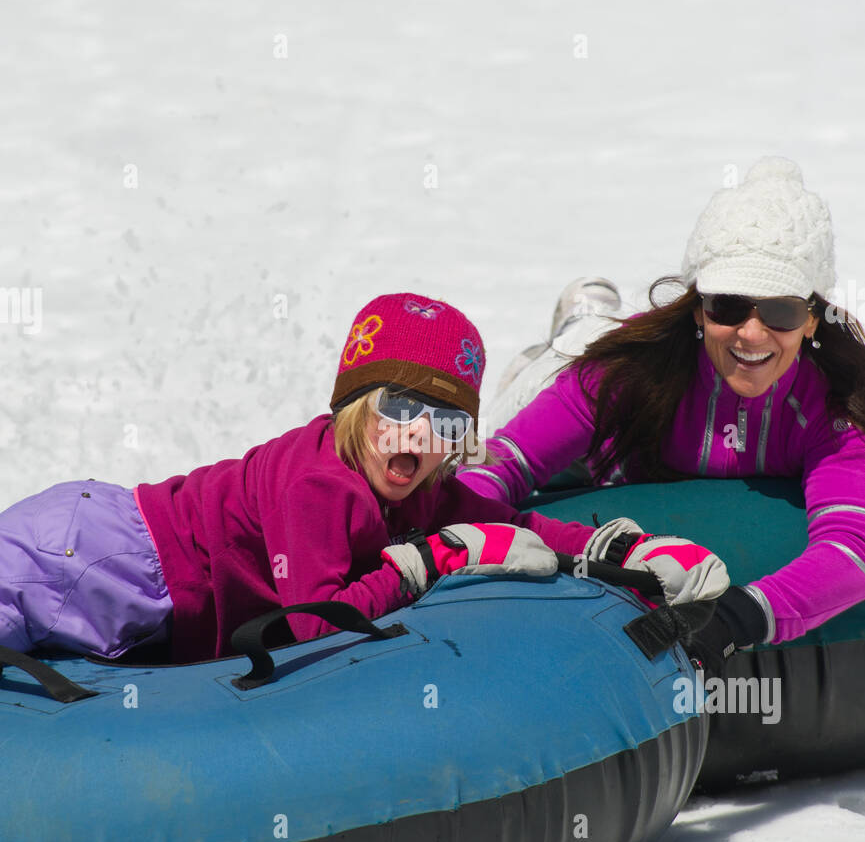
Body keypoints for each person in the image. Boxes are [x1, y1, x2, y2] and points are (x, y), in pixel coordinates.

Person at [0, 292, 728, 664]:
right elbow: (306, 630)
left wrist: (634, 552)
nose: (415, 435)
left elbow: (520, 528)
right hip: (92, 556)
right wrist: (424, 562)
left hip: (117, 574)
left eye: (444, 423)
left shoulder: (427, 488)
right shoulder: (320, 486)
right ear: (356, 408)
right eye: (400, 408)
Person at [458, 158, 865, 663]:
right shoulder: (626, 375)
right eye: (729, 305)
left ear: (810, 320)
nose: (753, 334)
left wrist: (742, 615)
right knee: (547, 371)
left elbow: (852, 549)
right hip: (592, 447)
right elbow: (502, 463)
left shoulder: (834, 406)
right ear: (698, 308)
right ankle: (576, 324)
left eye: (781, 310)